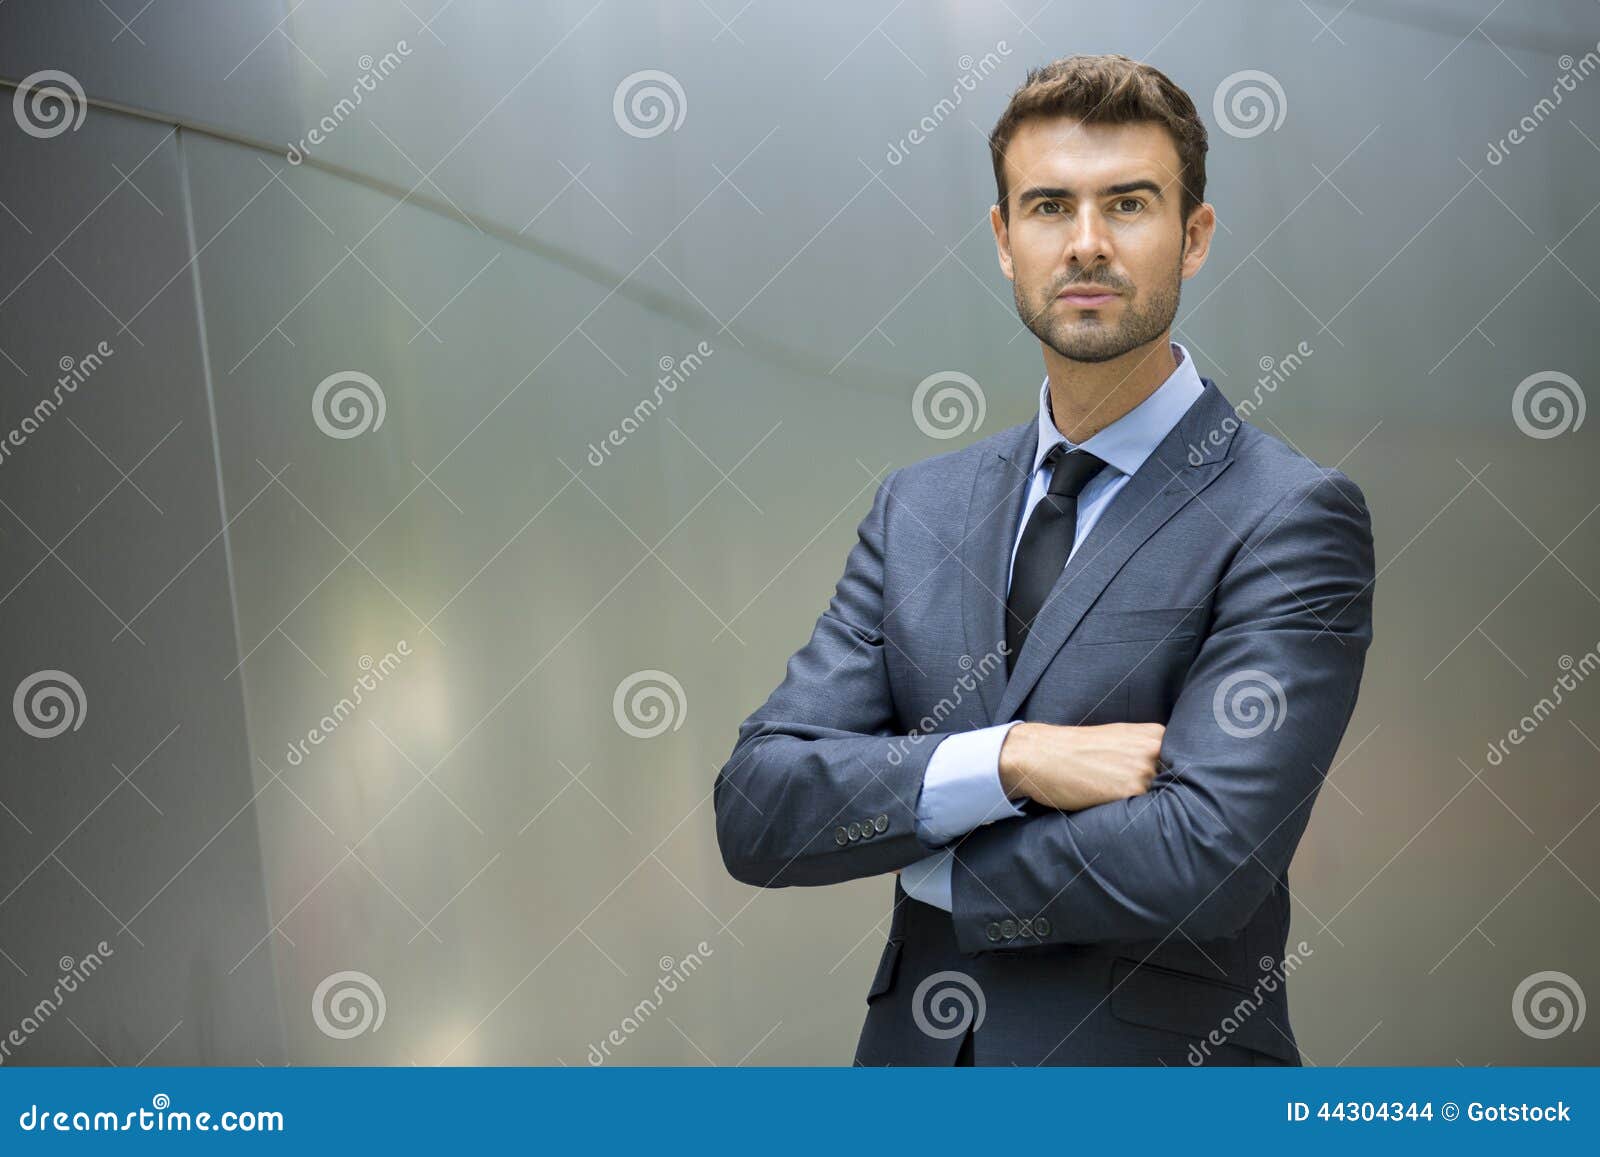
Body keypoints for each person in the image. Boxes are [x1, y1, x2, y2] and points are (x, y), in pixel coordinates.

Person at [714, 53, 1375, 1066]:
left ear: (1193, 236)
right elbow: (761, 806)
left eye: (1128, 203)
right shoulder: (918, 509)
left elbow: (1207, 856)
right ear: (1003, 239)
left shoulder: (1287, 514)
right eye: (1049, 206)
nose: (1087, 243)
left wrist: (922, 841)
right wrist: (1011, 758)